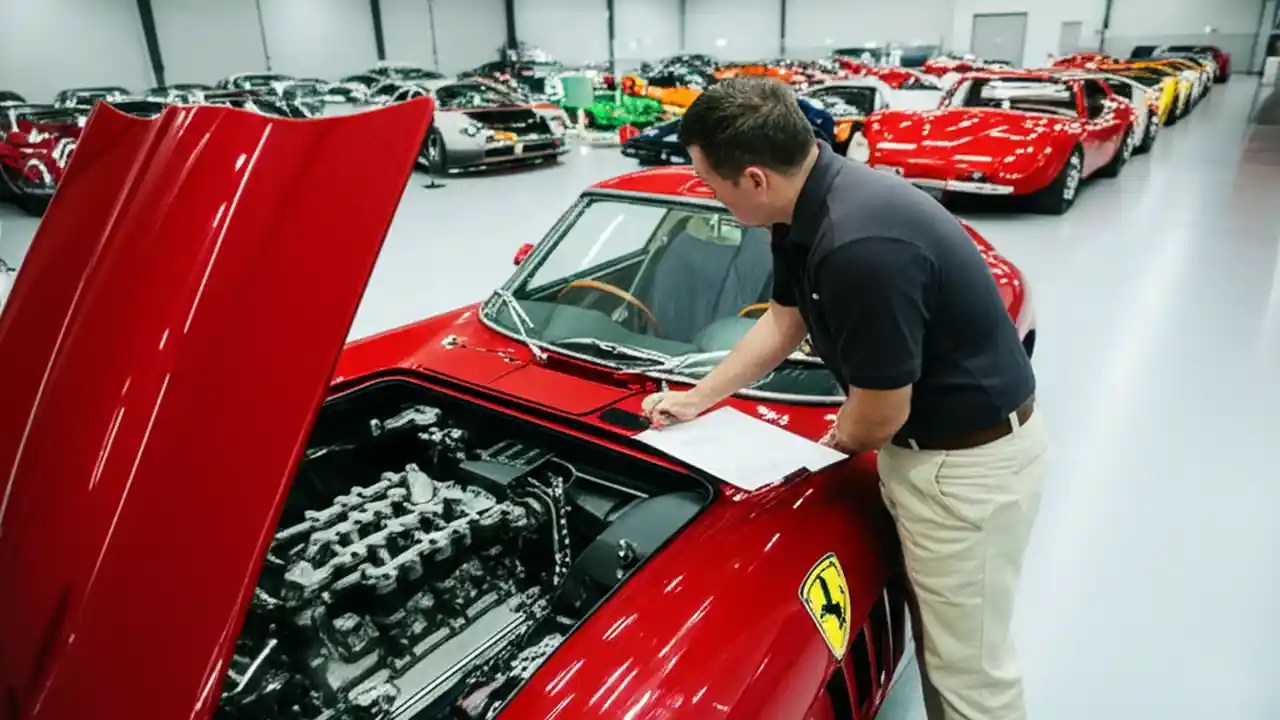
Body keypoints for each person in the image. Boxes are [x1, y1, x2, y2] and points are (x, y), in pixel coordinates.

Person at [639, 77, 1048, 720]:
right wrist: (698, 398)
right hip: (931, 454)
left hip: (966, 470)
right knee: (941, 645)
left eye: (708, 181)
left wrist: (816, 452)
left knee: (969, 671)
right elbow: (783, 320)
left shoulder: (859, 247)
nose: (706, 193)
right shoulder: (798, 208)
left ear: (752, 178)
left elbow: (882, 412)